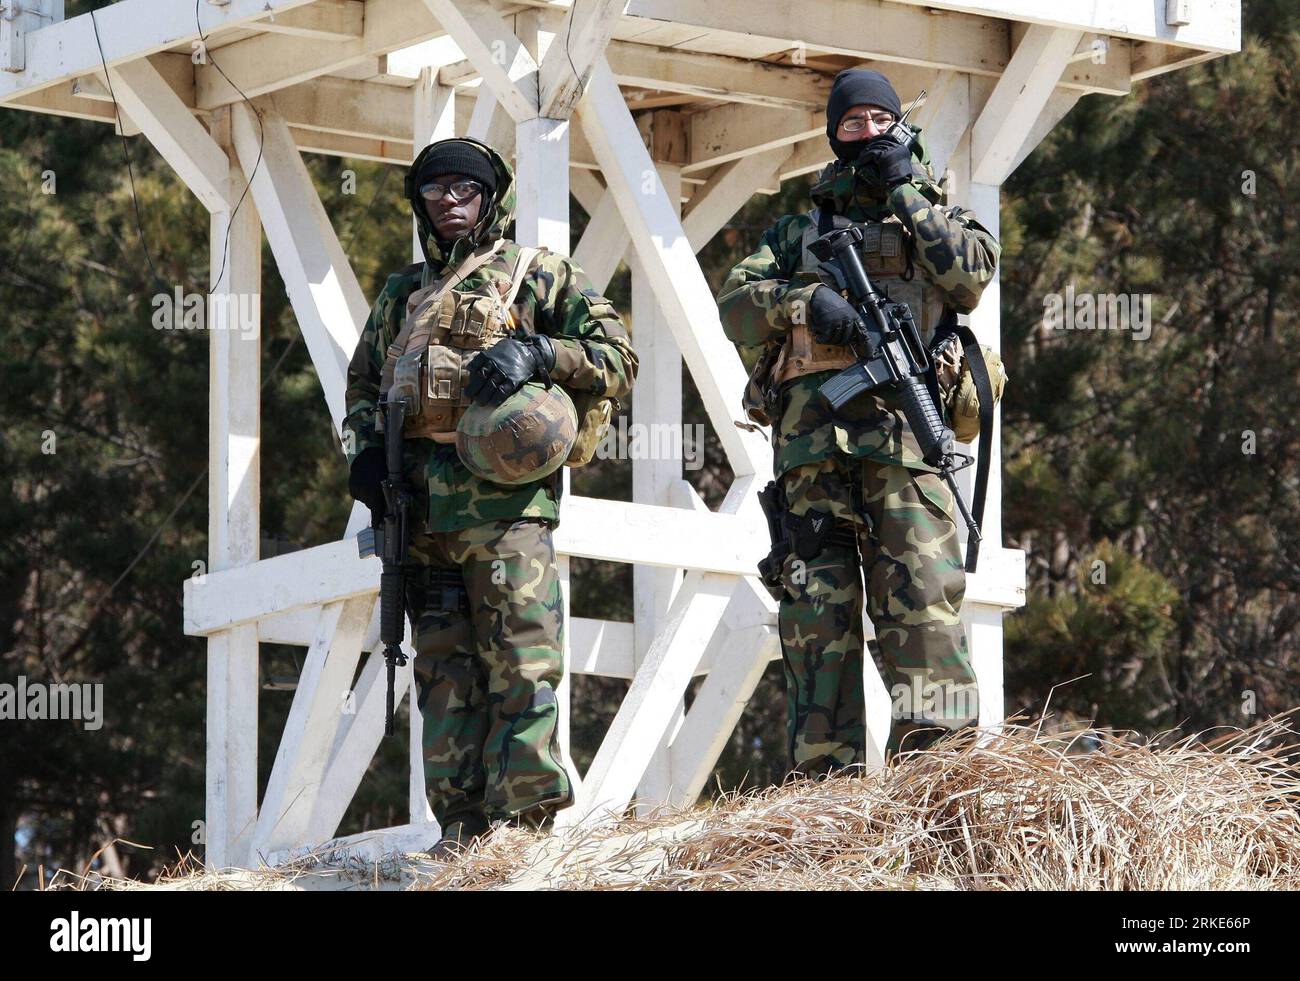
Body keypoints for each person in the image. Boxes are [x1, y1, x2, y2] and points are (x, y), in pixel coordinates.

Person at [343, 137, 637, 855]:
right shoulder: (400, 294)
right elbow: (363, 390)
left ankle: (526, 831)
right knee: (444, 672)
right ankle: (462, 833)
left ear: (491, 196)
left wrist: (539, 352)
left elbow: (617, 356)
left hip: (506, 512)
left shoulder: (538, 275)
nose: (448, 199)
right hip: (421, 518)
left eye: (464, 187)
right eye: (435, 188)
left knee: (521, 659)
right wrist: (363, 460)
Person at [717, 69, 1001, 773]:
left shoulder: (939, 214)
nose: (868, 132)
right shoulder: (796, 230)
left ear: (900, 128)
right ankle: (827, 809)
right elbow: (735, 306)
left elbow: (969, 275)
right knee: (818, 634)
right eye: (853, 123)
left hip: (906, 455)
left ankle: (940, 794)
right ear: (832, 135)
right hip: (812, 465)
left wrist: (907, 189)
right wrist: (804, 306)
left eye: (881, 119)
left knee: (926, 623)